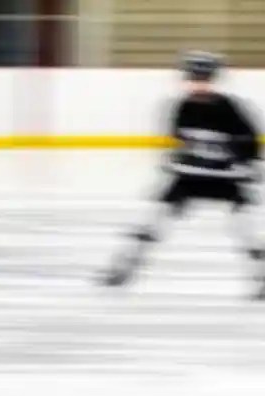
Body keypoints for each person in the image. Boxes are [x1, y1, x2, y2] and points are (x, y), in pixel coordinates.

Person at [99, 51, 263, 297]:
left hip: (224, 176)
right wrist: (175, 160)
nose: (199, 83)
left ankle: (260, 274)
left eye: (204, 78)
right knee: (154, 219)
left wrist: (246, 164)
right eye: (194, 78)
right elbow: (178, 141)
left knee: (243, 228)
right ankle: (124, 266)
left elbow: (250, 142)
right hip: (189, 176)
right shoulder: (182, 106)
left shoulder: (230, 108)